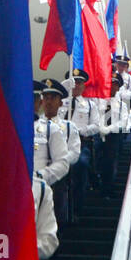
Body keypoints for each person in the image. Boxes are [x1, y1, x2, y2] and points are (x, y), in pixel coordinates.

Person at [38, 77, 80, 227]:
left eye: (53, 98)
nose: (49, 102)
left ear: (61, 103)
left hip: (59, 174)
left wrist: (57, 165)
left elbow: (74, 152)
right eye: (46, 98)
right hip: (36, 176)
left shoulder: (69, 127)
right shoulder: (33, 125)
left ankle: (60, 224)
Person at [60, 68, 96, 218]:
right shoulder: (60, 102)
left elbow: (95, 126)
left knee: (80, 164)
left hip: (81, 144)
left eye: (79, 83)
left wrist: (78, 130)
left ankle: (77, 208)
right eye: (73, 83)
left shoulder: (90, 105)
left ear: (84, 86)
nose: (76, 86)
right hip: (60, 143)